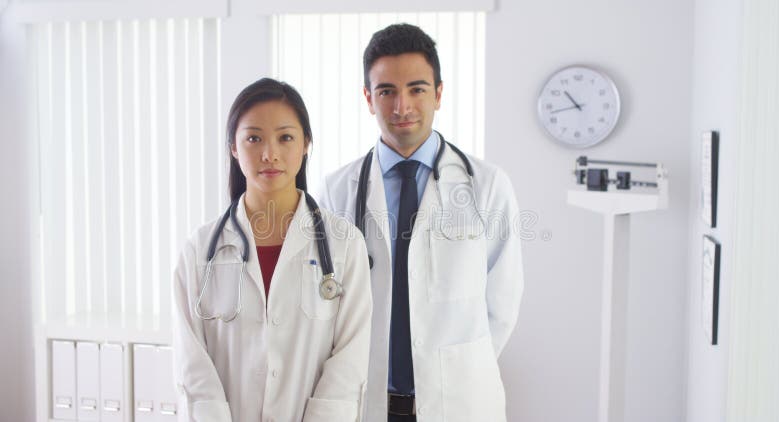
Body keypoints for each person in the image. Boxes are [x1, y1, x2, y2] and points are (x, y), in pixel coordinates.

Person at [319, 24, 524, 421]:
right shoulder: (337, 191)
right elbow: (326, 307)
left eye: (416, 89)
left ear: (439, 94)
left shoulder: (486, 185)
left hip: (460, 404)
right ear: (368, 98)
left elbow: (502, 302)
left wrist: (458, 371)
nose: (402, 106)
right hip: (365, 404)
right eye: (387, 91)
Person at [172, 78, 372, 422]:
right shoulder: (199, 251)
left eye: (285, 137)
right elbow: (192, 365)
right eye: (254, 138)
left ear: (306, 144)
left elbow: (349, 361)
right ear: (233, 148)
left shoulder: (345, 245)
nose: (270, 154)